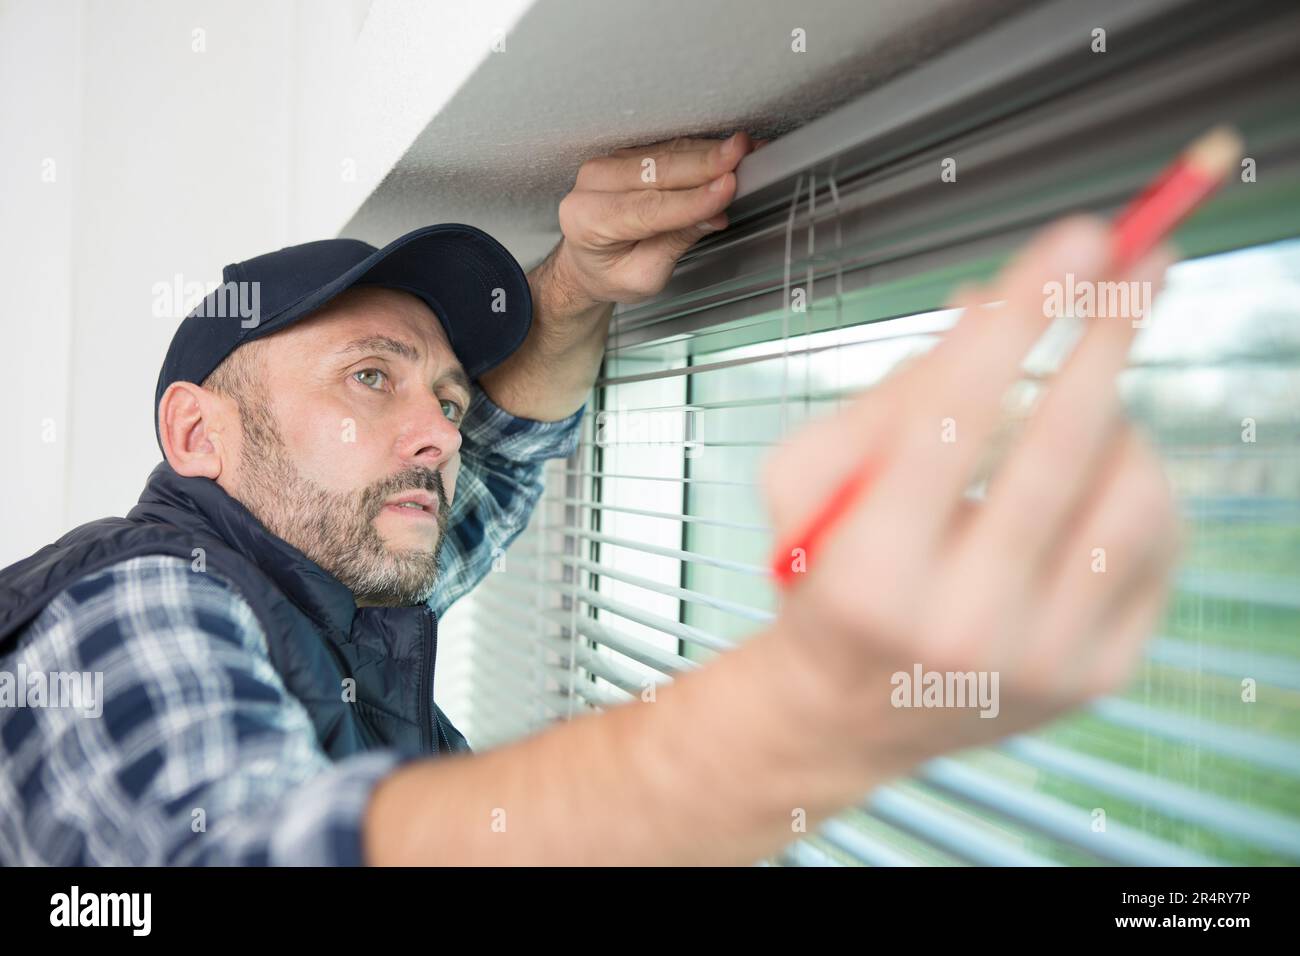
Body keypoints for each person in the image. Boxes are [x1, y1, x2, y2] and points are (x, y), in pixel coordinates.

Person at [0, 132, 1179, 866]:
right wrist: (813, 708)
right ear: (196, 434)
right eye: (372, 376)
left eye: (447, 400)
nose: (436, 435)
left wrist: (579, 280)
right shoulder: (138, 600)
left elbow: (496, 464)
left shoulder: (319, 573)